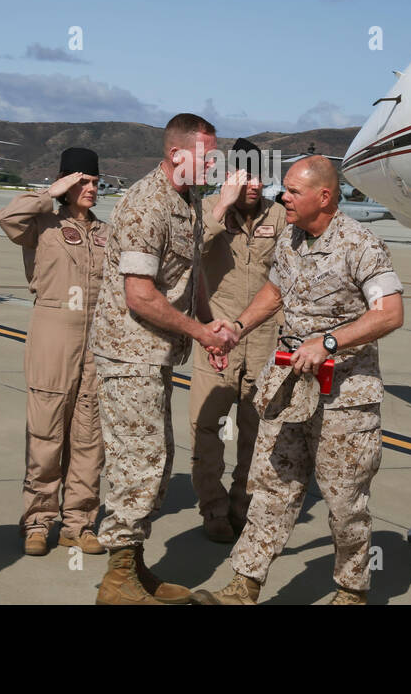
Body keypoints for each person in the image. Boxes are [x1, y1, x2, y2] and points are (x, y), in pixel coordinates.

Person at [192, 156, 404, 606]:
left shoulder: (361, 243)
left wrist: (328, 342)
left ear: (323, 197)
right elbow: (274, 291)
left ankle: (351, 590)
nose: (281, 197)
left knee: (345, 502)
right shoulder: (291, 237)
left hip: (344, 399)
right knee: (272, 487)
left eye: (291, 191)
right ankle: (244, 585)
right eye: (282, 189)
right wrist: (237, 328)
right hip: (290, 389)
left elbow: (390, 314)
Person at [87, 113, 238, 604]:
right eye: (206, 156)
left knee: (153, 459)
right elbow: (141, 296)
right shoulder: (145, 203)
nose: (214, 165)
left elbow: (186, 280)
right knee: (140, 463)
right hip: (128, 354)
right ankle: (117, 581)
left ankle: (132, 567)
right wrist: (199, 332)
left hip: (154, 355)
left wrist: (208, 327)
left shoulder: (188, 202)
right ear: (177, 155)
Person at [0, 148, 108, 558]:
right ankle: (38, 521)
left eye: (96, 182)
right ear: (66, 183)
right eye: (84, 182)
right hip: (53, 330)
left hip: (96, 338)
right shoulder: (41, 225)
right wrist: (50, 192)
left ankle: (79, 522)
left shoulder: (105, 232)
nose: (92, 189)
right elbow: (7, 218)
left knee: (89, 436)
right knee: (45, 433)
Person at [191, 138, 287, 543]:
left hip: (264, 339)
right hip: (216, 337)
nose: (255, 185)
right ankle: (212, 510)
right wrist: (220, 206)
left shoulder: (279, 216)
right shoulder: (207, 212)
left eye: (261, 177)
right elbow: (186, 251)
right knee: (206, 428)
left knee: (258, 431)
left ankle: (241, 506)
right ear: (230, 175)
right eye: (247, 176)